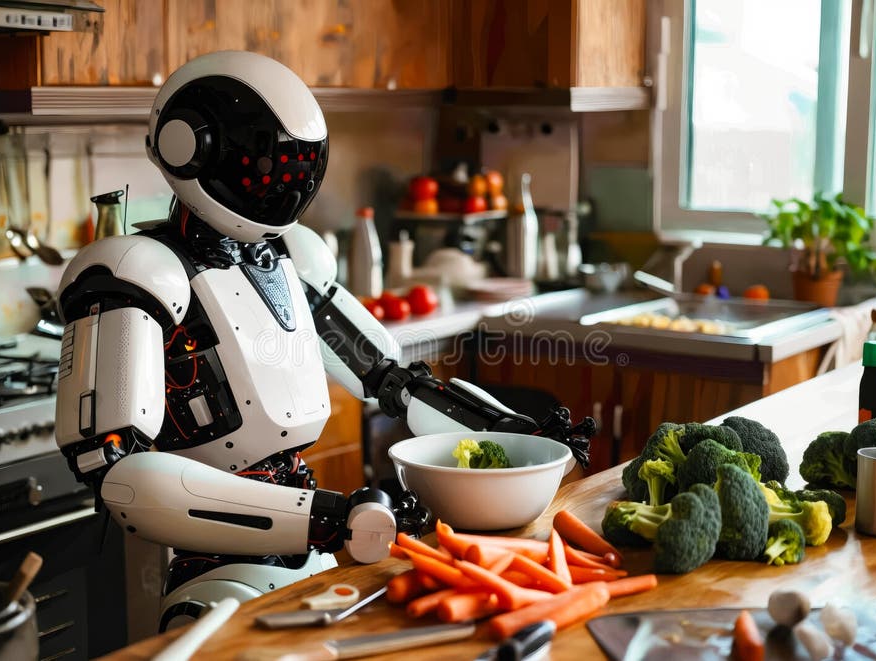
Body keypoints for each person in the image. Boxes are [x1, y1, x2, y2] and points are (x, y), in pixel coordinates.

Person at [53, 51, 593, 630]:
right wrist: (325, 516)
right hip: (211, 574)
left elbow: (393, 383)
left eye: (298, 168)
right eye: (272, 168)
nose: (287, 184)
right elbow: (119, 473)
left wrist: (514, 435)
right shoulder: (136, 273)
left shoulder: (291, 256)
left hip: (308, 554)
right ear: (191, 147)